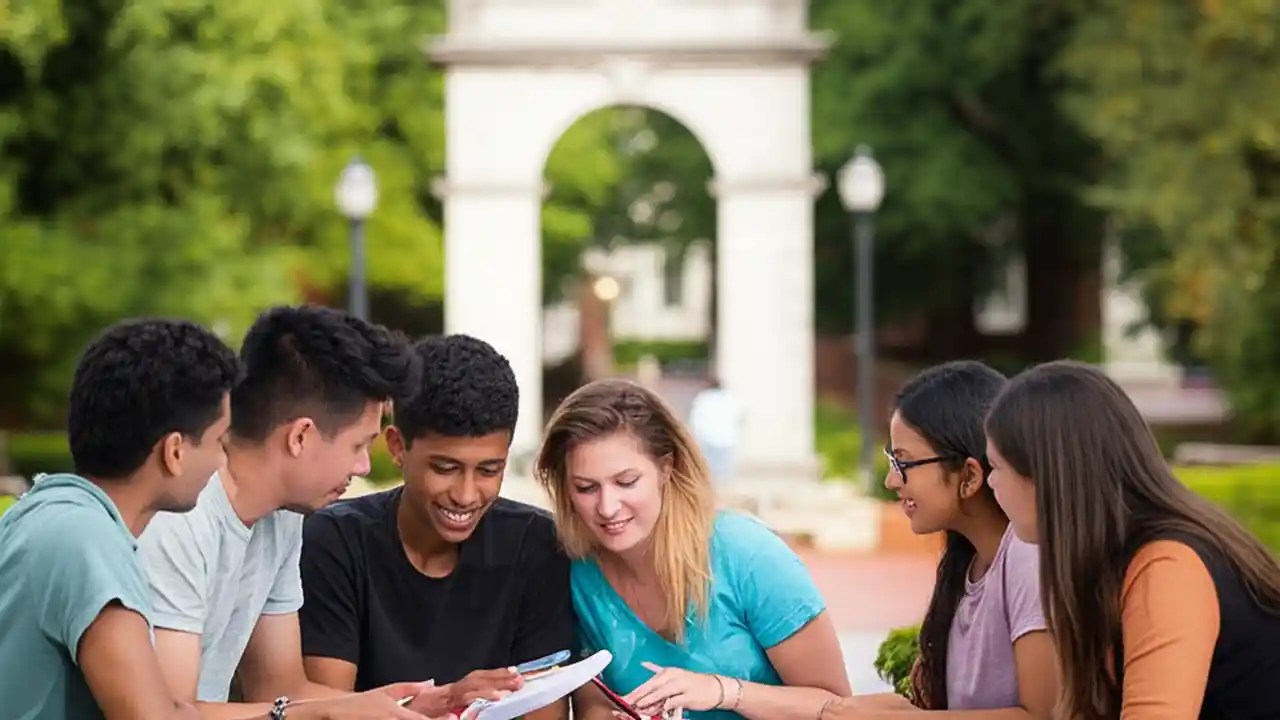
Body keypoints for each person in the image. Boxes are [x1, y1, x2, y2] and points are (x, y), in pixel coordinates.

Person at [138, 305, 446, 719]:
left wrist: (402, 707)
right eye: (359, 445)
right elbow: (169, 714)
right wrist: (325, 714)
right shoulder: (181, 518)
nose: (364, 467)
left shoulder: (283, 515)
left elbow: (279, 688)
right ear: (300, 436)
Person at [535, 379, 850, 720]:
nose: (607, 507)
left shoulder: (748, 555)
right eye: (585, 488)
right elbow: (591, 702)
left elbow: (839, 708)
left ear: (666, 468)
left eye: (626, 482)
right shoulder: (576, 572)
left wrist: (723, 692)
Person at [984, 360, 1280, 719]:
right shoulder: (1114, 561)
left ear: (1043, 476)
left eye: (996, 467)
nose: (990, 483)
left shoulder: (1167, 569)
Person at [300, 334, 574, 718]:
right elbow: (326, 710)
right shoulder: (336, 541)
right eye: (445, 468)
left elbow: (545, 711)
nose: (465, 495)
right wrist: (446, 701)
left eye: (488, 470)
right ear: (397, 447)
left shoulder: (536, 545)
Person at [0, 319, 236, 719]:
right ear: (174, 452)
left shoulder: (40, 512)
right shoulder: (87, 542)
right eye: (220, 442)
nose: (222, 460)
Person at [829, 361, 1057, 719]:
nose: (891, 480)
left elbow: (1042, 715)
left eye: (903, 462)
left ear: (969, 475)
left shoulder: (1028, 556)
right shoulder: (968, 562)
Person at [688, 377, 740, 483]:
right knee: (725, 471)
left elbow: (695, 419)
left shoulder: (703, 399)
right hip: (727, 439)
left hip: (708, 439)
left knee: (709, 470)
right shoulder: (730, 398)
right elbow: (739, 417)